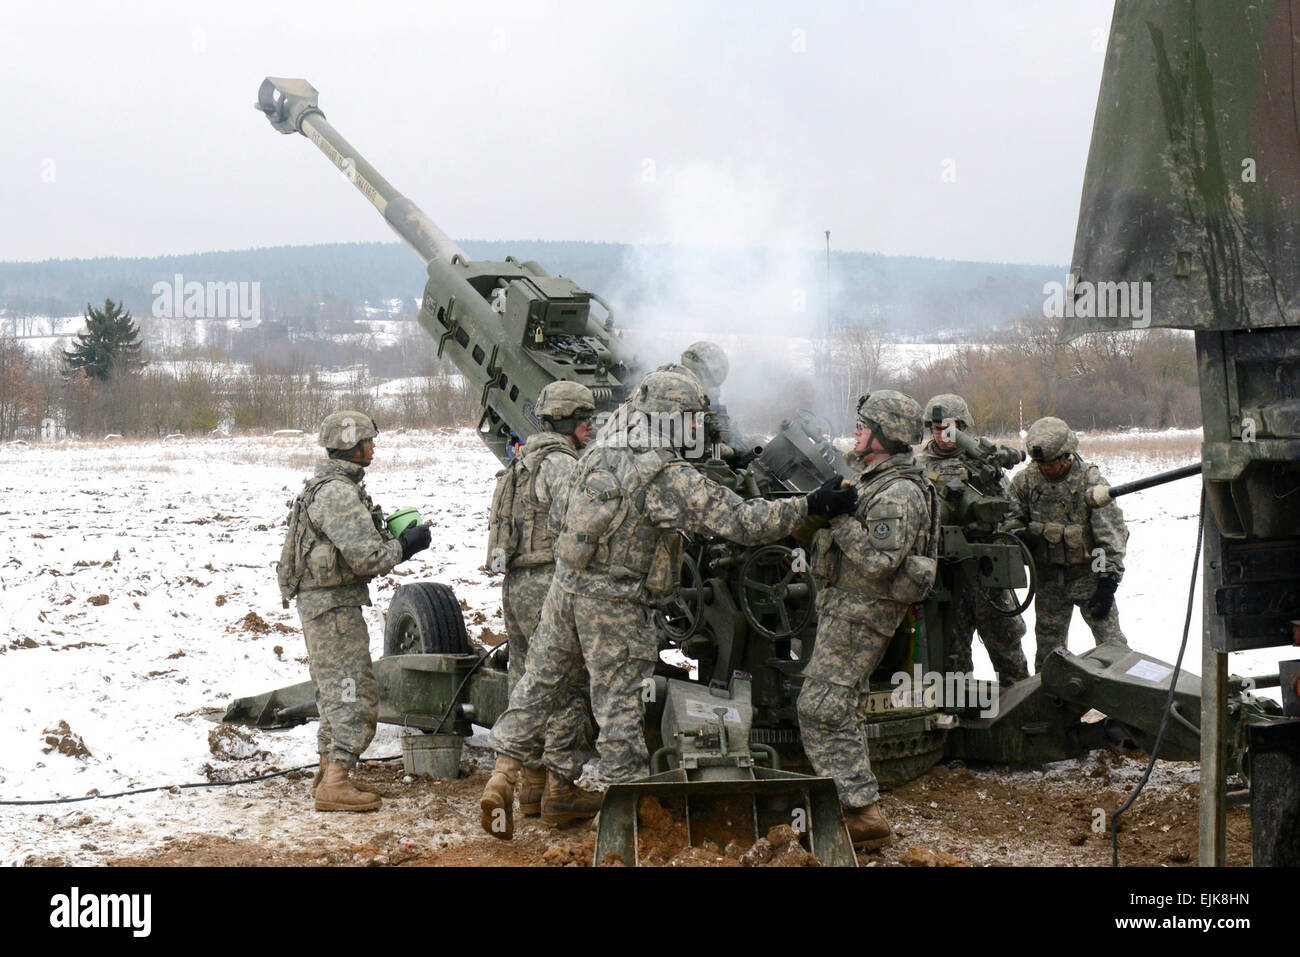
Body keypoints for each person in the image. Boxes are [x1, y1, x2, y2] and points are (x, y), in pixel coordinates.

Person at [479, 369, 857, 839]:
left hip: (565, 588)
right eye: (693, 420)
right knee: (618, 709)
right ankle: (627, 814)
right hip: (615, 602)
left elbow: (561, 513)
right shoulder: (661, 470)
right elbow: (737, 519)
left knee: (539, 685)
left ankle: (501, 776)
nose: (698, 429)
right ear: (671, 418)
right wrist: (810, 506)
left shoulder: (602, 447)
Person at [801, 390, 937, 850]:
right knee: (845, 707)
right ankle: (857, 806)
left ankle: (861, 813)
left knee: (820, 706)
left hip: (864, 611)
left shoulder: (898, 491)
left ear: (886, 435)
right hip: (847, 607)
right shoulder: (875, 477)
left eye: (864, 425)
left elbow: (879, 561)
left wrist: (835, 519)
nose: (856, 431)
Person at [276, 411, 432, 812]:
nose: (373, 447)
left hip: (326, 605)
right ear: (352, 445)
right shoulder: (339, 493)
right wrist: (407, 545)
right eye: (368, 440)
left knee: (334, 692)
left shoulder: (328, 487)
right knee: (355, 692)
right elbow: (366, 557)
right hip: (334, 609)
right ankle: (337, 782)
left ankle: (329, 772)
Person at [485, 381, 599, 824]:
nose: (590, 425)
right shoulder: (559, 463)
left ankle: (531, 788)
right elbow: (581, 519)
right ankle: (560, 791)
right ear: (567, 422)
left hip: (517, 583)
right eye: (583, 418)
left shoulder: (523, 461)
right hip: (550, 580)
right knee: (567, 682)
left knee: (526, 679)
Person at [919, 394, 1028, 685]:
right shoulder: (918, 466)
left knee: (1007, 647)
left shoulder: (981, 462)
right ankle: (963, 719)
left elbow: (1010, 511)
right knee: (951, 656)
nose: (944, 434)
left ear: (963, 427)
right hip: (944, 574)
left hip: (986, 570)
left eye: (950, 427)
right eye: (937, 428)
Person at [1006, 416, 1129, 671]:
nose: (1044, 468)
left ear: (1066, 456)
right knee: (1049, 656)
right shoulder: (1025, 481)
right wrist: (1019, 534)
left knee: (1114, 648)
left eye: (1050, 463)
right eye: (1039, 463)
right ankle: (1049, 705)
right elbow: (1009, 519)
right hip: (1049, 580)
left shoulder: (1090, 482)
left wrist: (1107, 581)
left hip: (1090, 576)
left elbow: (1110, 533)